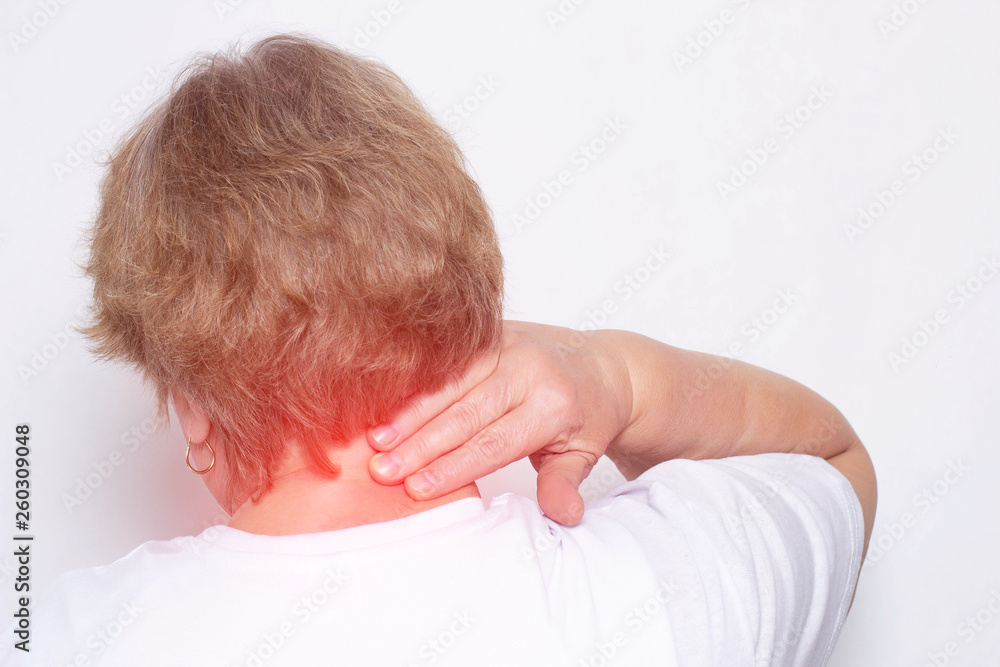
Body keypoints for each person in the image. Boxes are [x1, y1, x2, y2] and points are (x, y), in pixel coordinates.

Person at [0, 33, 875, 666]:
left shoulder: (54, 635)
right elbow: (834, 459)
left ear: (192, 406)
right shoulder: (658, 599)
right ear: (465, 321)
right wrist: (618, 373)